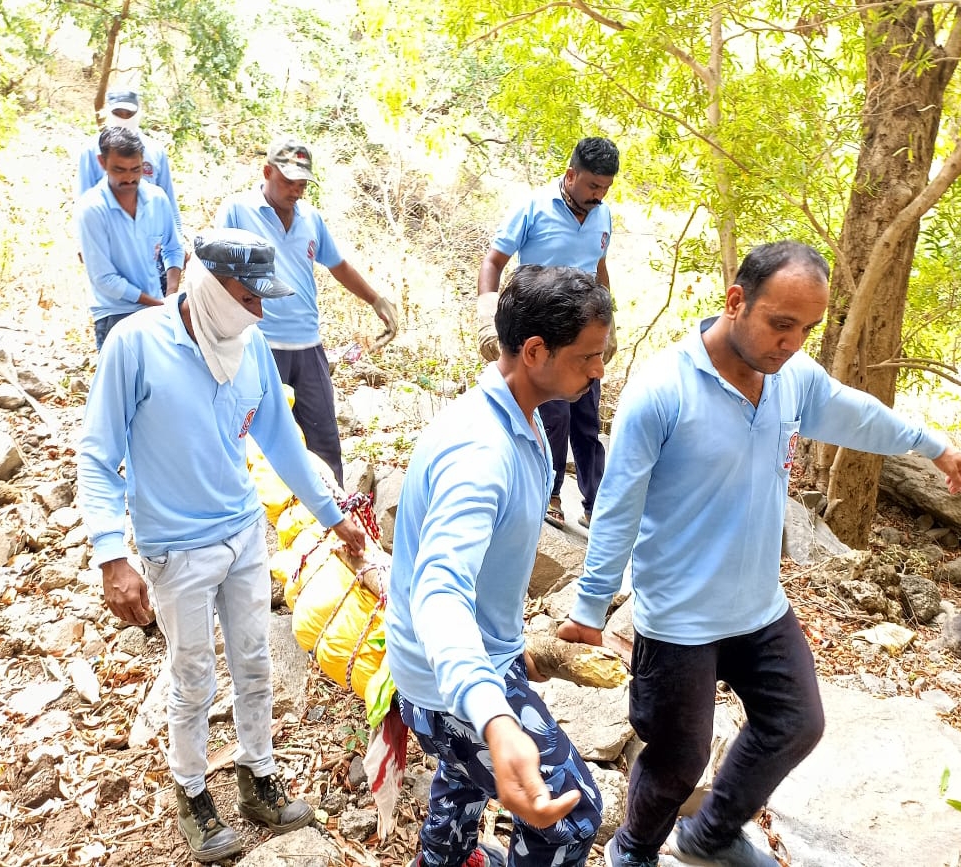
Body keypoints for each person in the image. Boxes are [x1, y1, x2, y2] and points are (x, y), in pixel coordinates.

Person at [557, 241, 961, 867]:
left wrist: (932, 444)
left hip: (759, 607)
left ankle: (710, 834)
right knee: (678, 759)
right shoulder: (664, 391)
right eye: (781, 324)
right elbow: (618, 506)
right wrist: (591, 607)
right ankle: (634, 850)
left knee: (796, 724)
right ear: (736, 301)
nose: (793, 342)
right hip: (679, 619)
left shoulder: (792, 380)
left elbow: (854, 414)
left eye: (806, 329)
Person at [77, 228, 366, 863]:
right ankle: (190, 793)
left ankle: (257, 779)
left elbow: (281, 437)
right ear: (208, 284)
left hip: (242, 531)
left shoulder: (250, 346)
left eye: (265, 302)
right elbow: (99, 458)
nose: (259, 312)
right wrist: (110, 554)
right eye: (249, 297)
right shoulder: (136, 345)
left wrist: (331, 513)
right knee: (192, 677)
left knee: (256, 662)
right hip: (175, 546)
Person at [387, 265, 613, 867]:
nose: (599, 370)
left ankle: (447, 858)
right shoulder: (480, 455)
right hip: (449, 686)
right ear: (535, 350)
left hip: (459, 666)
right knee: (575, 812)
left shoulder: (519, 410)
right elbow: (439, 591)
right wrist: (492, 712)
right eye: (588, 356)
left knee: (463, 778)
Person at [214, 136, 399, 485]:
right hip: (258, 344)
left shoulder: (311, 219)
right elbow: (214, 267)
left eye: (302, 184)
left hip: (308, 347)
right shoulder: (237, 210)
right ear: (267, 172)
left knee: (324, 441)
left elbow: (338, 264)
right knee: (257, 441)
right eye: (288, 182)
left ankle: (336, 520)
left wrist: (376, 300)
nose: (296, 191)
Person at [477, 137, 619, 532]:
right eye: (593, 186)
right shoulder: (533, 207)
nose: (599, 195)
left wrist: (609, 324)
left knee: (587, 420)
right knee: (552, 416)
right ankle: (550, 494)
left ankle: (595, 504)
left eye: (606, 188)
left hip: (585, 330)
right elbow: (494, 260)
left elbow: (599, 268)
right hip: (542, 328)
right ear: (571, 175)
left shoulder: (603, 216)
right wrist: (486, 313)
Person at [74, 126, 183, 349]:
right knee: (119, 384)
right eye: (119, 170)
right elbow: (104, 279)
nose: (129, 178)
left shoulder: (157, 199)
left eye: (135, 169)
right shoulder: (92, 209)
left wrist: (171, 295)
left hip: (156, 311)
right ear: (102, 162)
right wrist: (158, 303)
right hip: (114, 315)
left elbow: (173, 248)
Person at [75, 89, 183, 237]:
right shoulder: (91, 150)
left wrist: (179, 237)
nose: (123, 118)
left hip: (150, 235)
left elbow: (168, 198)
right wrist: (82, 240)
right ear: (107, 112)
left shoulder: (155, 151)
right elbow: (83, 199)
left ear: (138, 112)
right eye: (118, 113)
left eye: (129, 114)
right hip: (108, 235)